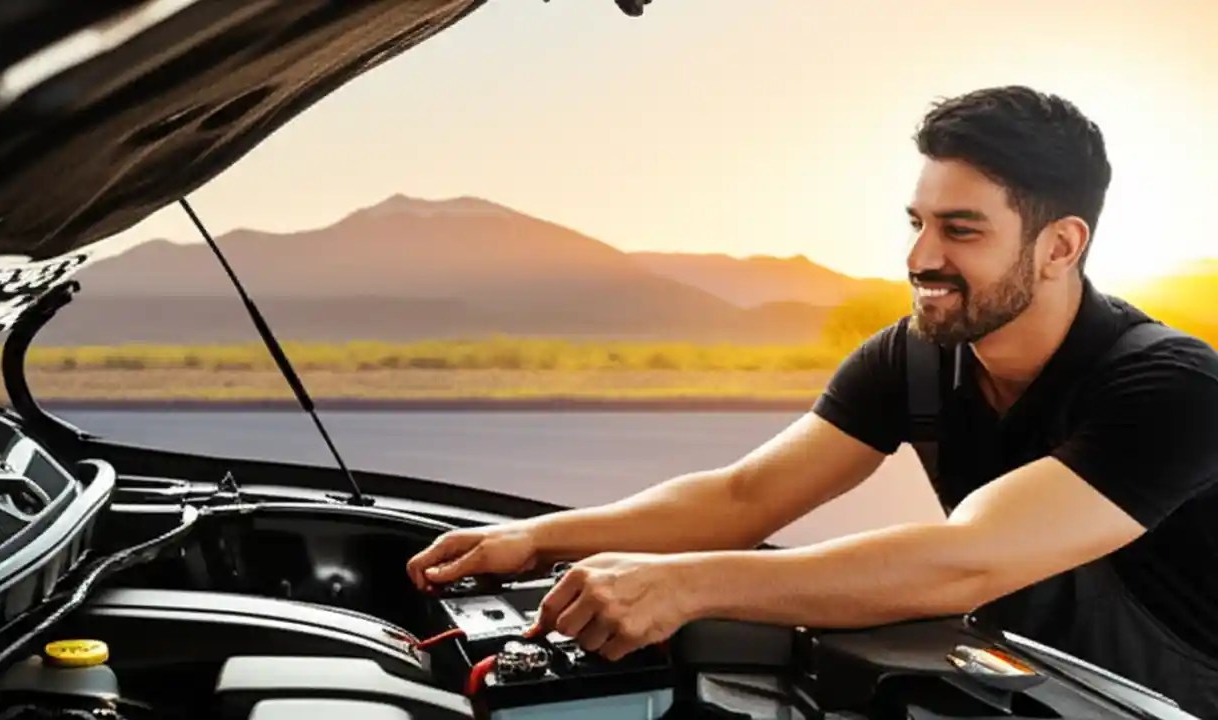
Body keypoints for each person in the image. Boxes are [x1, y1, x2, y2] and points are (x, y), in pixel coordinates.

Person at [406, 85, 1218, 715]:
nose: (920, 256)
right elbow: (744, 497)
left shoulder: (1171, 387)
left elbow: (964, 561)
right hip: (1035, 688)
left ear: (1060, 245)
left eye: (960, 231)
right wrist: (540, 539)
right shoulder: (918, 357)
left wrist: (683, 585)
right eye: (917, 222)